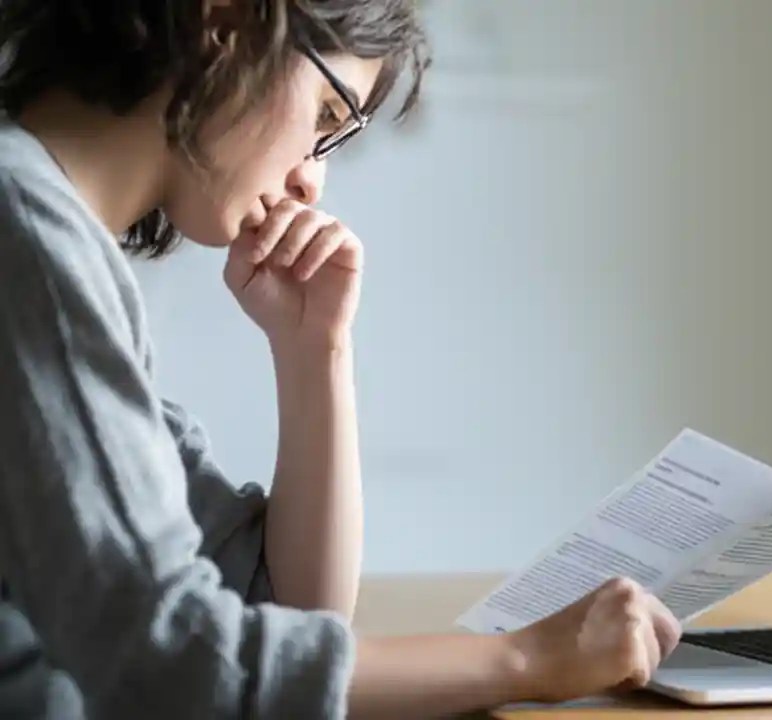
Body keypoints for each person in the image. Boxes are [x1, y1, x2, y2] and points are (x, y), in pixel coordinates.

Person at [0, 1, 681, 717]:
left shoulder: (49, 247)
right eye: (327, 113)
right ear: (226, 19)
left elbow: (286, 620)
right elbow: (180, 666)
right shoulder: (26, 240)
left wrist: (314, 351)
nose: (310, 183)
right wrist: (528, 658)